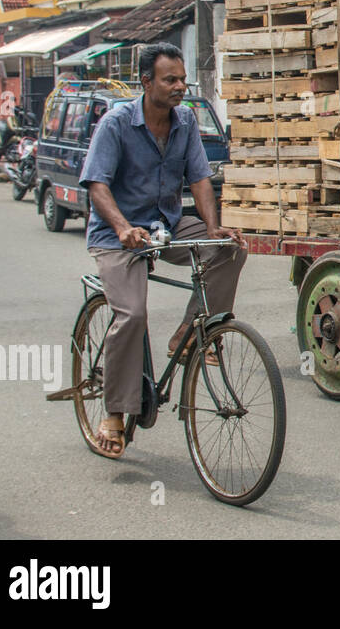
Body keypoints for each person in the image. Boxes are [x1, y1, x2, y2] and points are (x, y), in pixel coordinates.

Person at [79, 43, 246, 459]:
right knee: (132, 313)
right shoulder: (117, 123)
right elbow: (97, 184)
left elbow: (200, 179)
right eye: (170, 80)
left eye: (182, 79)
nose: (180, 87)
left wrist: (212, 229)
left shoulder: (185, 120)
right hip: (117, 235)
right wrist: (122, 227)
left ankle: (187, 339)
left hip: (166, 226)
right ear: (146, 82)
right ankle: (115, 412)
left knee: (229, 250)